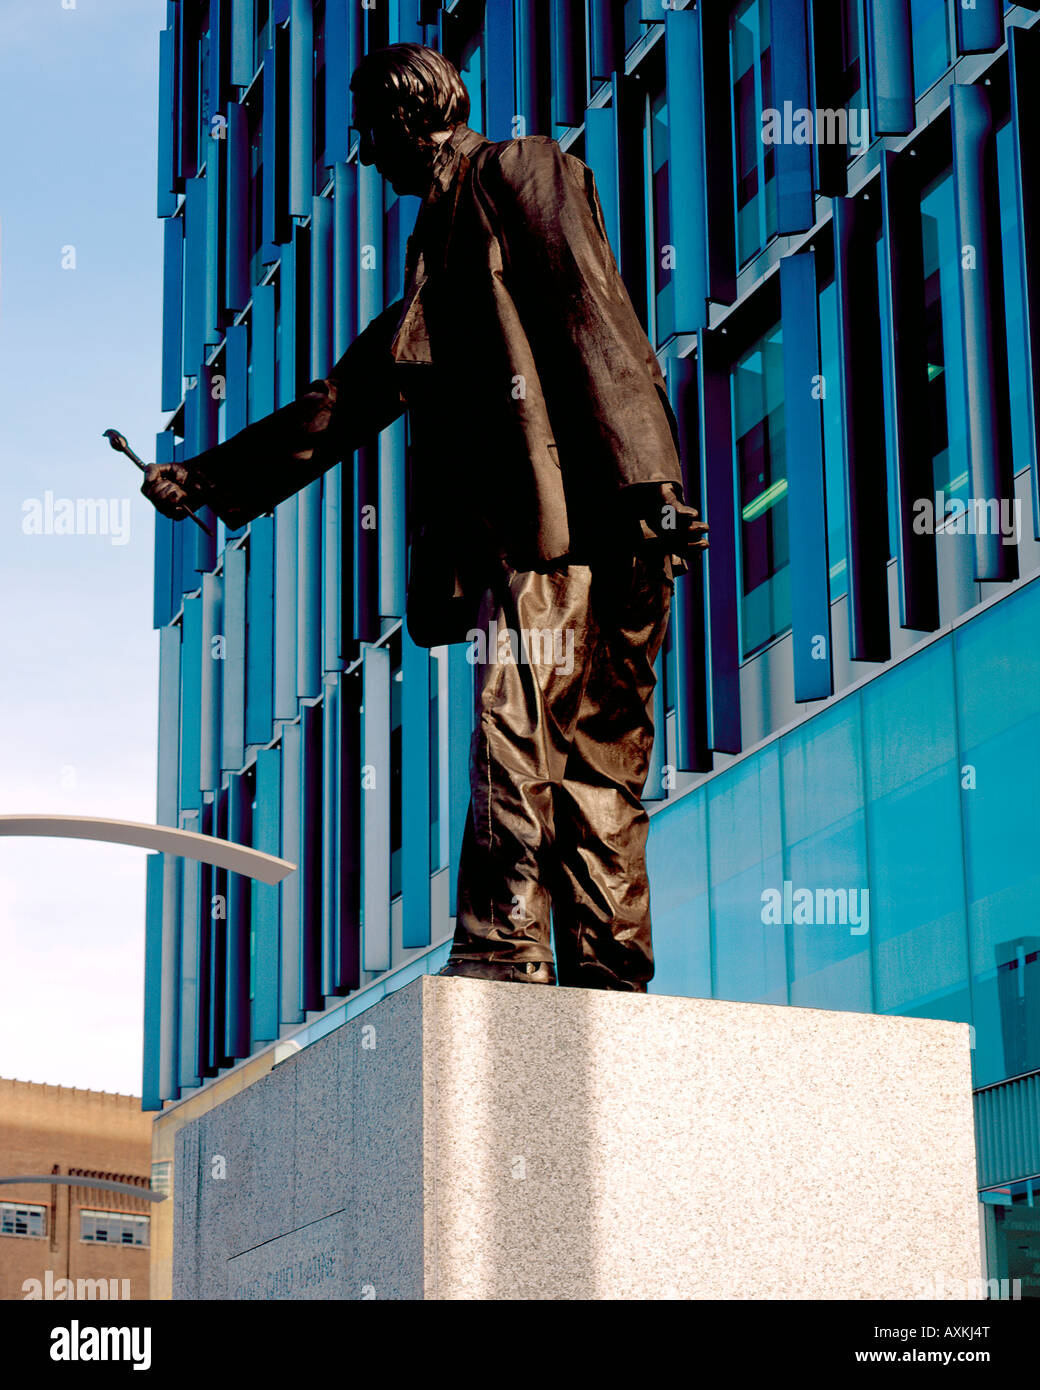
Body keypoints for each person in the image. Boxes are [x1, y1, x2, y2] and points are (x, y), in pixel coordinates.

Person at [143, 43, 707, 992]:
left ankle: (504, 954)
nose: (365, 156)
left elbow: (593, 314)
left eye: (368, 131)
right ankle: (609, 978)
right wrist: (206, 479)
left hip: (577, 524)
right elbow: (343, 400)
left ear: (410, 117)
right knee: (584, 759)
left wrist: (650, 488)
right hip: (570, 532)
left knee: (528, 730)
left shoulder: (518, 172)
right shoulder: (434, 258)